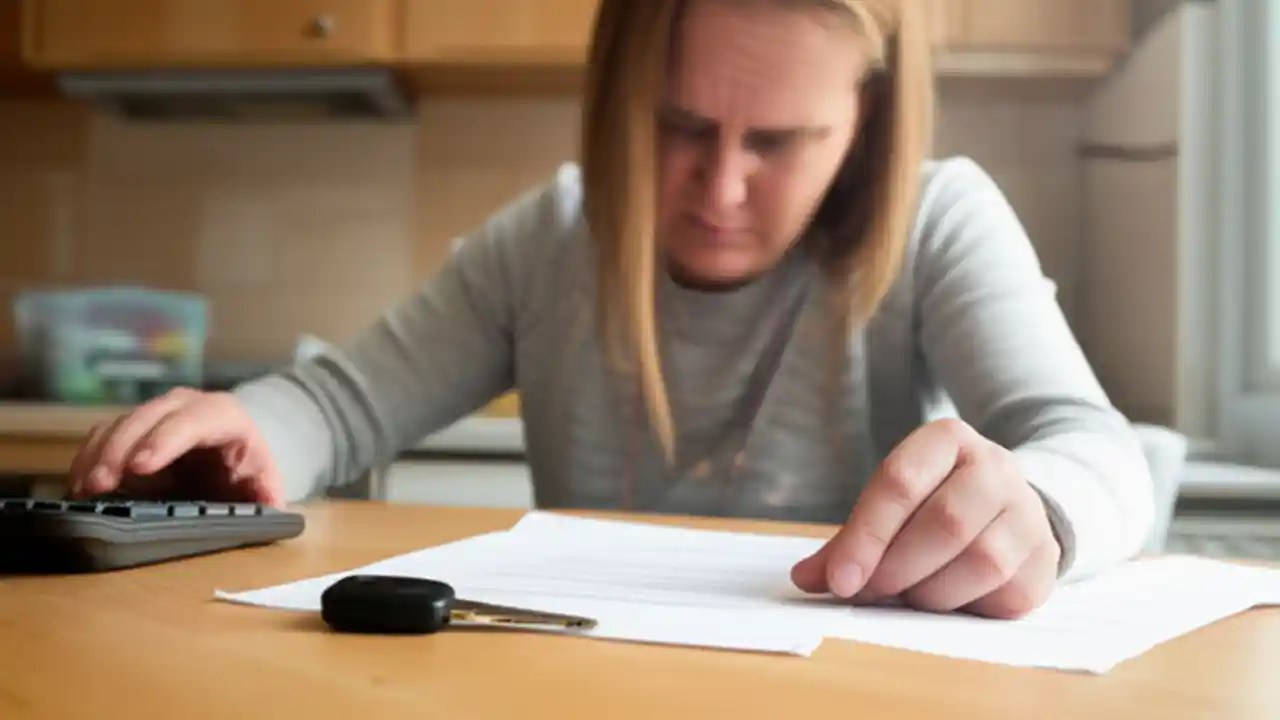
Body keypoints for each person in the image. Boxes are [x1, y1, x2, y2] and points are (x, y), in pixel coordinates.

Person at [67, 0, 1154, 619]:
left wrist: (1038, 512)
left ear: (863, 123)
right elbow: (341, 407)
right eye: (678, 125)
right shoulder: (552, 237)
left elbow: (1093, 447)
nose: (719, 191)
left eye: (777, 143)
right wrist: (251, 430)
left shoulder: (934, 220)